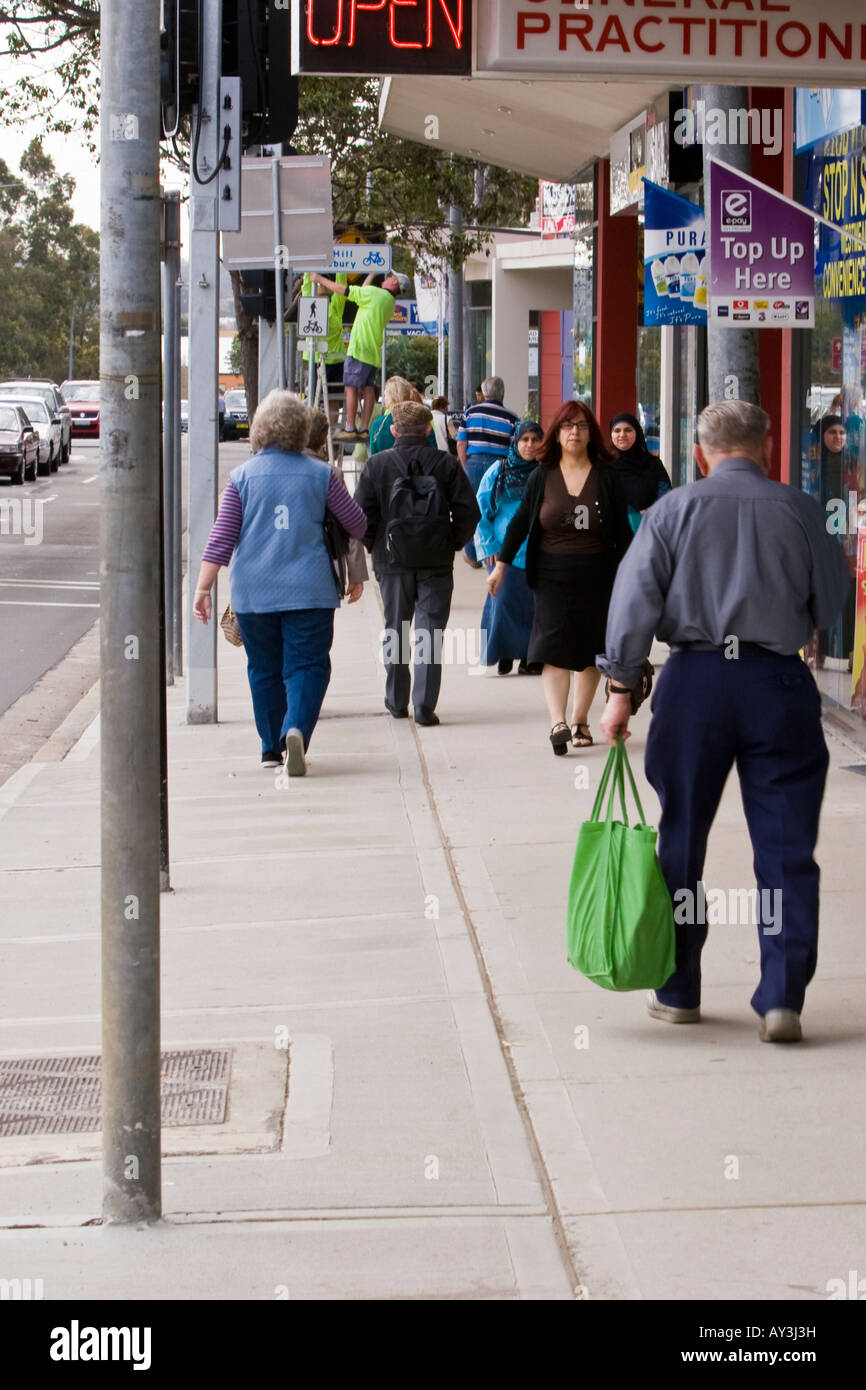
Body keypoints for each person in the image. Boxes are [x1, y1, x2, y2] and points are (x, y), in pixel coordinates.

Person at [596, 400, 851, 1043]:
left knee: (681, 839)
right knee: (788, 847)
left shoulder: (674, 510)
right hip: (778, 683)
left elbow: (634, 601)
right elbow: (835, 600)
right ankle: (781, 999)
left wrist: (621, 688)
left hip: (695, 684)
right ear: (767, 447)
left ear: (701, 454)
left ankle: (678, 990)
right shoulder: (799, 509)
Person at [192, 390, 368, 777]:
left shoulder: (240, 478)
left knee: (264, 668)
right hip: (310, 590)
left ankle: (270, 747)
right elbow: (357, 524)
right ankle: (297, 732)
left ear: (259, 429)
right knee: (307, 666)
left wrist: (203, 589)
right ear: (303, 429)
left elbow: (222, 537)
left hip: (253, 595)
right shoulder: (323, 475)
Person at [487, 400, 632, 753]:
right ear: (557, 434)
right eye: (567, 426)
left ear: (590, 433)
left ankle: (580, 719)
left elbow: (623, 532)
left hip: (598, 575)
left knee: (588, 649)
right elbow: (521, 522)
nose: (574, 432)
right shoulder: (543, 475)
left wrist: (636, 573)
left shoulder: (606, 475)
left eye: (581, 426)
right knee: (552, 646)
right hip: (550, 574)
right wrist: (501, 566)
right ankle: (558, 722)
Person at [354, 400, 480, 726]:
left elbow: (359, 518)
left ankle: (397, 700)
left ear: (394, 430)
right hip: (436, 562)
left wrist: (377, 546)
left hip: (391, 561)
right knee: (429, 632)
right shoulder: (447, 464)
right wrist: (450, 542)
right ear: (428, 429)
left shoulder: (377, 465)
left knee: (395, 631)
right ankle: (424, 704)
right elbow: (469, 513)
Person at [474, 419, 544, 675]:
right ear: (515, 442)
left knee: (534, 608)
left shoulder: (546, 471)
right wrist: (488, 545)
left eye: (535, 440)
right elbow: (480, 511)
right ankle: (503, 652)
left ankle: (530, 656)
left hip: (538, 553)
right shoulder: (498, 471)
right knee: (502, 604)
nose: (529, 445)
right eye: (524, 439)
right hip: (503, 553)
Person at [309, 270, 405, 441]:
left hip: (359, 349)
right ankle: (363, 429)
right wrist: (372, 274)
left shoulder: (375, 294)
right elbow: (363, 291)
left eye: (392, 278)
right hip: (372, 352)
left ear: (395, 284)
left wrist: (319, 279)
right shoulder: (388, 302)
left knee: (350, 387)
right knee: (368, 389)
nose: (388, 278)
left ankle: (349, 426)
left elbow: (344, 290)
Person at [304, 408, 369, 595]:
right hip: (323, 572)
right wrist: (356, 575)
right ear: (324, 437)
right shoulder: (330, 475)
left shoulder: (270, 471)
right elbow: (350, 525)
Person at [457, 376, 519, 565]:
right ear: (502, 393)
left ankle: (473, 554)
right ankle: (493, 551)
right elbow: (514, 448)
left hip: (473, 463)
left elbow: (461, 442)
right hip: (500, 465)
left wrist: (464, 464)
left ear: (483, 393)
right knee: (497, 507)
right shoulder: (512, 417)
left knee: (471, 508)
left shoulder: (469, 413)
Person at [609, 412, 672, 532]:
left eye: (628, 430)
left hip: (648, 529)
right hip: (613, 535)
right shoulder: (604, 465)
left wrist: (652, 511)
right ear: (611, 434)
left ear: (636, 432)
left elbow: (666, 495)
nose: (622, 434)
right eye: (617, 430)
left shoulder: (652, 464)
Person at [300, 271, 347, 421]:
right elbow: (307, 283)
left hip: (331, 361)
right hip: (320, 361)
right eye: (318, 284)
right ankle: (318, 431)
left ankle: (329, 432)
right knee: (316, 399)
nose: (319, 285)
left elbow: (342, 286)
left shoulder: (334, 308)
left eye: (322, 283)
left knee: (329, 400)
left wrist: (341, 264)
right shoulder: (310, 304)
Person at [369, 376, 435, 455]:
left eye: (385, 395)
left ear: (391, 397)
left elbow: (374, 456)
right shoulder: (422, 420)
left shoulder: (378, 425)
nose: (384, 398)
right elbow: (433, 451)